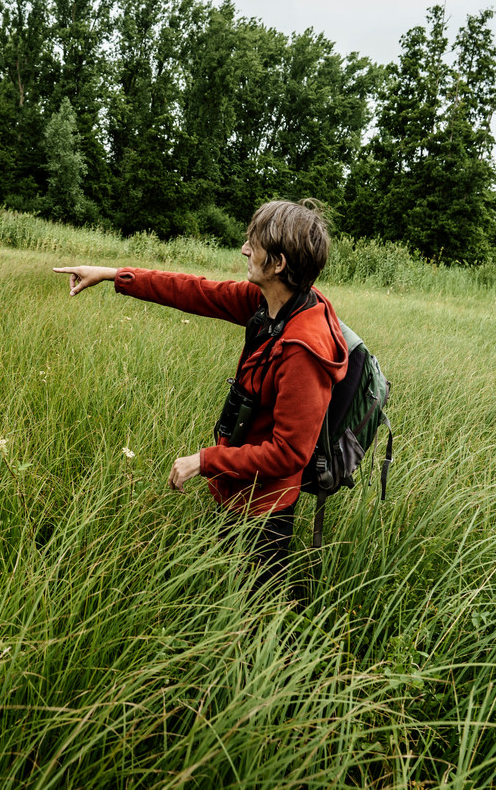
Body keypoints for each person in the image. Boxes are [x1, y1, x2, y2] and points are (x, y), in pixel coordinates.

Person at [53, 199, 349, 595]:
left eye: (254, 243)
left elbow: (289, 454)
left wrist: (205, 461)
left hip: (264, 511)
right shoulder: (270, 303)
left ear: (278, 263)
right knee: (224, 595)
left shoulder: (303, 349)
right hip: (238, 488)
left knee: (255, 609)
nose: (244, 249)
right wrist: (109, 275)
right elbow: (194, 291)